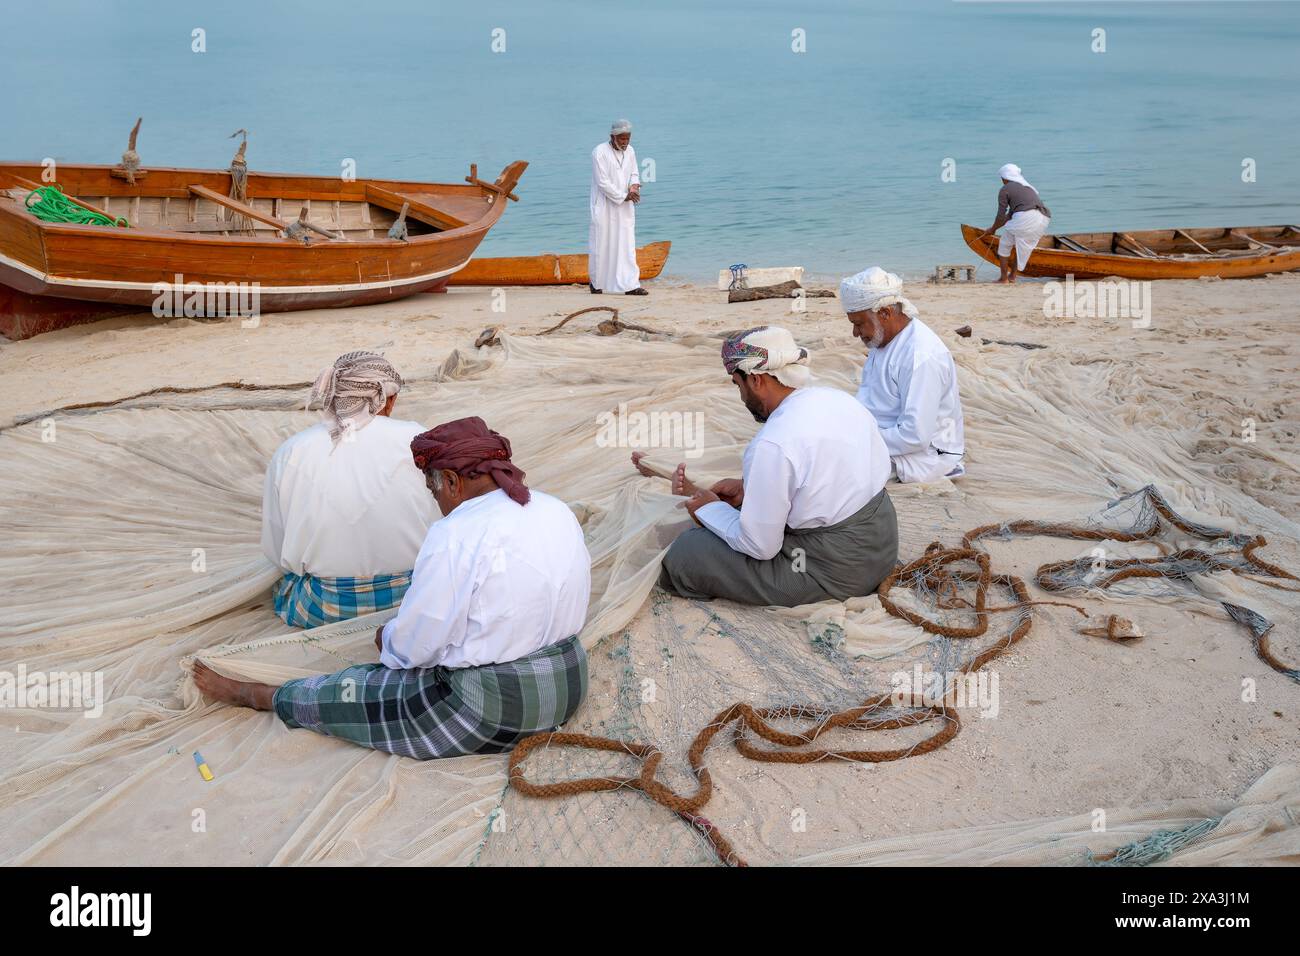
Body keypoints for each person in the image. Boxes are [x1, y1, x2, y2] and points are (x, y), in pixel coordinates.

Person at [195, 417, 592, 760]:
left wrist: (388, 640)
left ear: (452, 481)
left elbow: (419, 647)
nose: (437, 502)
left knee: (352, 690)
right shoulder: (554, 508)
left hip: (495, 710)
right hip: (568, 683)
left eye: (434, 491)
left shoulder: (454, 534)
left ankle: (261, 697)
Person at [647, 327, 898, 607]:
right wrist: (749, 489)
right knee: (737, 517)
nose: (741, 397)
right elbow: (827, 480)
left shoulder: (772, 444)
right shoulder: (838, 399)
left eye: (737, 384)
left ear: (754, 380)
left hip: (831, 570)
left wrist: (710, 509)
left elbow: (760, 547)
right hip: (883, 544)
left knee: (686, 553)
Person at [261, 351, 437, 628]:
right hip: (418, 599)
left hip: (324, 607)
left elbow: (276, 549)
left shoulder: (292, 450)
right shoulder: (420, 439)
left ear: (332, 395)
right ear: (388, 400)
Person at [841, 267, 966, 484]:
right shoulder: (884, 339)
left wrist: (856, 439)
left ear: (885, 314)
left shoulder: (920, 357)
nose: (855, 333)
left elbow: (914, 436)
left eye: (859, 324)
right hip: (878, 437)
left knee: (827, 470)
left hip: (922, 456)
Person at [589, 119, 646, 296]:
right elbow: (602, 182)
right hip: (604, 205)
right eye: (621, 138)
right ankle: (596, 283)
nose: (625, 142)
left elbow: (634, 173)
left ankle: (630, 284)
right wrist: (623, 195)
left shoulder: (631, 151)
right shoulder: (599, 152)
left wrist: (634, 186)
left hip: (625, 206)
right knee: (601, 244)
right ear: (612, 137)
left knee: (626, 244)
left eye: (627, 138)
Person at [979, 163, 1051, 283]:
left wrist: (992, 230)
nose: (1002, 181)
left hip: (1025, 218)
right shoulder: (1027, 187)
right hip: (1042, 218)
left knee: (1004, 244)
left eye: (1002, 178)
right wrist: (993, 228)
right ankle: (1012, 276)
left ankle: (1003, 279)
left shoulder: (1004, 190)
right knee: (1021, 246)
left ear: (1005, 178)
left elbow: (1001, 215)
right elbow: (1009, 216)